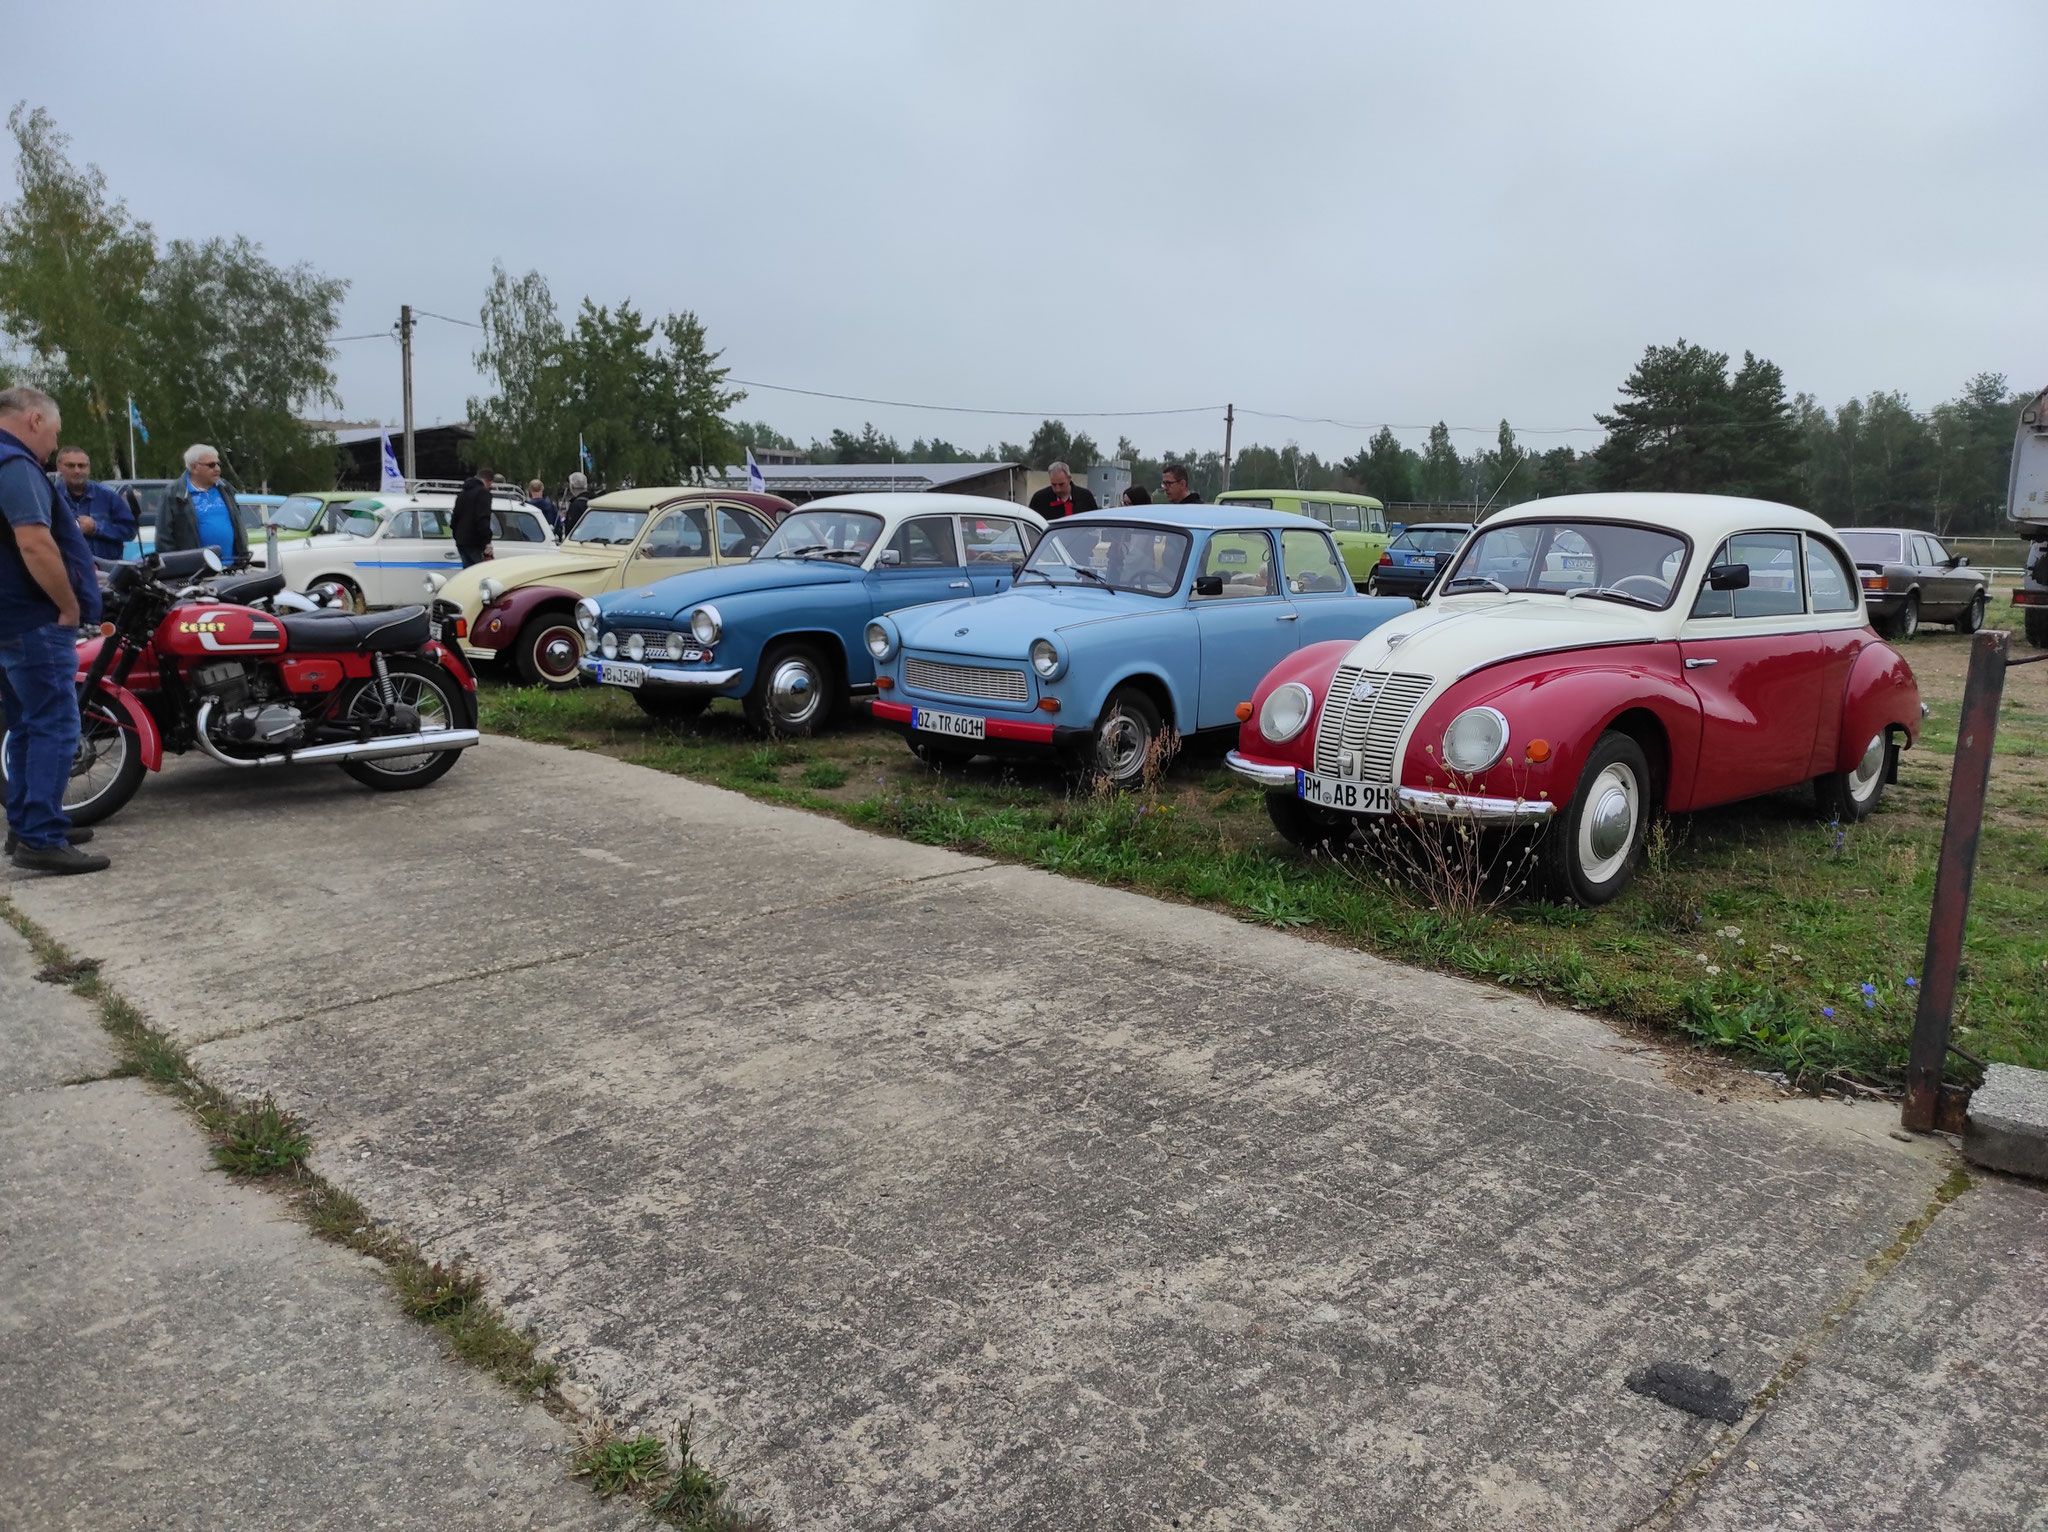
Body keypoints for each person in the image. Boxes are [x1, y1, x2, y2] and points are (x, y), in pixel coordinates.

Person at [0, 386, 108, 874]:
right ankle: (41, 838)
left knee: (26, 725)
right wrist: (67, 605)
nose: (54, 446)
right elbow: (34, 544)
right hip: (34, 619)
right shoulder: (16, 465)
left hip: (10, 620)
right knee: (56, 726)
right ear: (35, 420)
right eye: (55, 434)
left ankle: (27, 824)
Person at [158, 444, 249, 564]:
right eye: (211, 465)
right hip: (196, 570)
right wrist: (174, 566)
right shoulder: (174, 493)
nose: (217, 469)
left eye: (218, 464)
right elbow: (164, 537)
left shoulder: (225, 488)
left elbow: (238, 524)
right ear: (194, 467)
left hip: (231, 567)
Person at [55, 446, 137, 561]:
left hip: (106, 568)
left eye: (81, 466)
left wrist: (96, 528)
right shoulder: (51, 497)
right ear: (59, 468)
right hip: (66, 567)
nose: (77, 470)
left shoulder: (108, 496)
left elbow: (130, 531)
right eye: (70, 466)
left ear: (88, 468)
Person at [451, 464, 496, 567]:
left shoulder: (462, 494)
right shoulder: (483, 493)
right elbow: (482, 518)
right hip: (475, 541)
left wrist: (457, 536)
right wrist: (487, 541)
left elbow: (454, 519)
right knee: (480, 572)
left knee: (468, 573)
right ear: (489, 481)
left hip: (461, 541)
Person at [1028, 461, 1098, 521]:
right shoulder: (1039, 499)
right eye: (1054, 484)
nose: (1057, 489)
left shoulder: (1086, 497)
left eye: (1061, 484)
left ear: (1069, 478)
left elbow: (1096, 523)